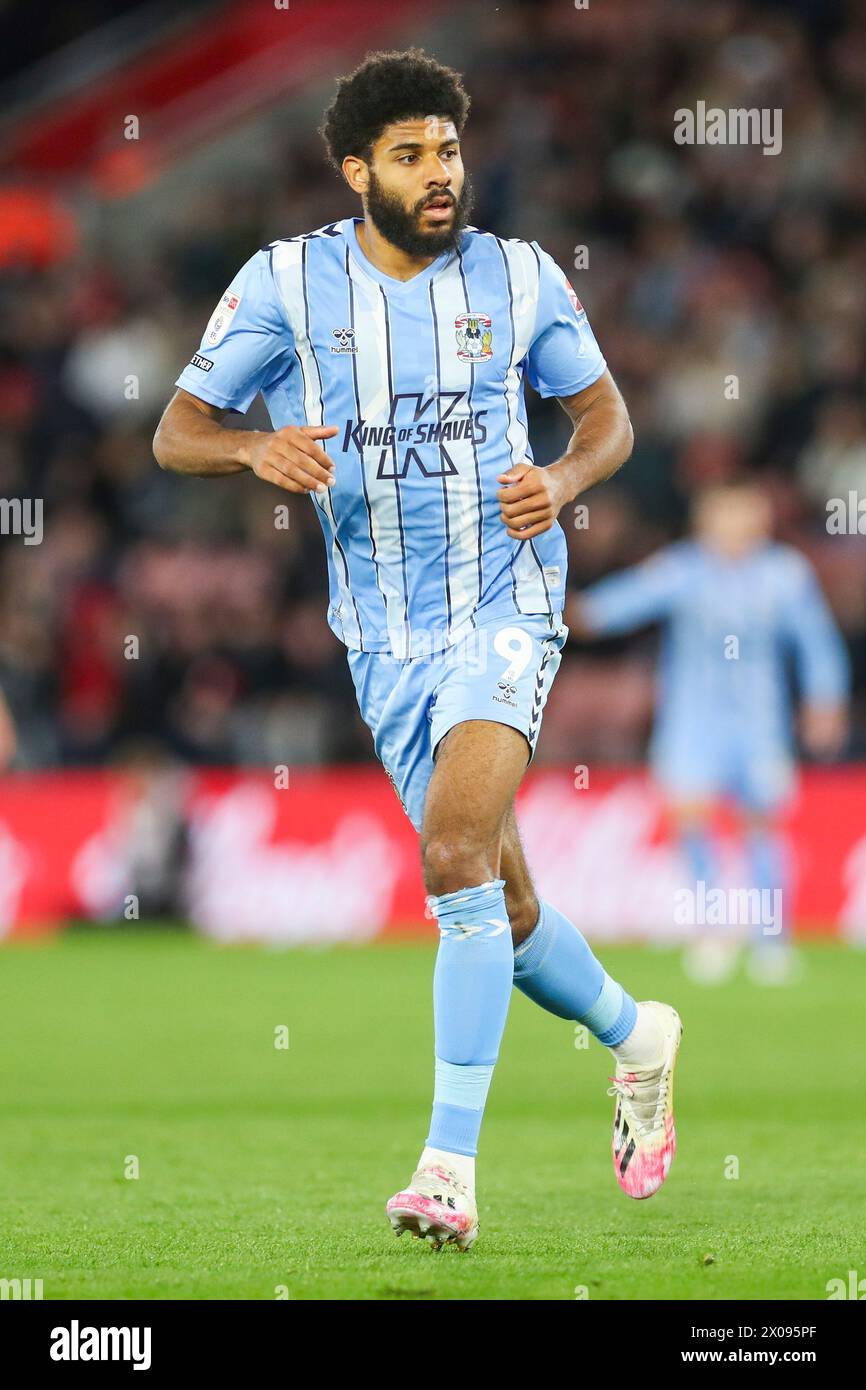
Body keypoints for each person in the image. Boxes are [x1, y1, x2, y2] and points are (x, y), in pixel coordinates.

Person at [153, 48, 681, 1251]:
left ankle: (446, 1169)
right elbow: (175, 429)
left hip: (508, 602)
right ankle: (636, 1035)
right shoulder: (287, 285)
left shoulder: (522, 277)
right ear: (356, 171)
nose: (440, 174)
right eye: (410, 155)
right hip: (381, 638)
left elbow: (606, 417)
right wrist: (251, 449)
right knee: (495, 890)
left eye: (448, 148)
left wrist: (560, 475)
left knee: (450, 855)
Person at [571, 481, 850, 985]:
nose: (729, 527)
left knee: (762, 824)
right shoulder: (684, 568)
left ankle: (772, 939)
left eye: (740, 515)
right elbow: (625, 602)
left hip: (760, 722)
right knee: (691, 819)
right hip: (693, 722)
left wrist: (825, 699)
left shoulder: (783, 575)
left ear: (759, 520)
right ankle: (712, 928)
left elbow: (816, 641)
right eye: (720, 516)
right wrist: (576, 611)